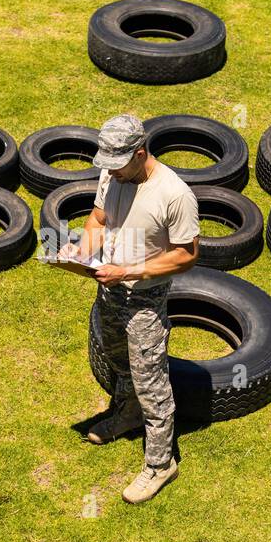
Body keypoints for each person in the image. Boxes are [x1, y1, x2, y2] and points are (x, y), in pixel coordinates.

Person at [61, 114, 200, 504]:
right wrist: (82, 251)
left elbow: (187, 255)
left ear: (140, 153)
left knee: (150, 380)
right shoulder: (114, 173)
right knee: (117, 358)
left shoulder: (174, 194)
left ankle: (160, 463)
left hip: (145, 300)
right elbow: (99, 219)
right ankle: (127, 414)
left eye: (117, 164)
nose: (109, 172)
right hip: (109, 289)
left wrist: (130, 270)